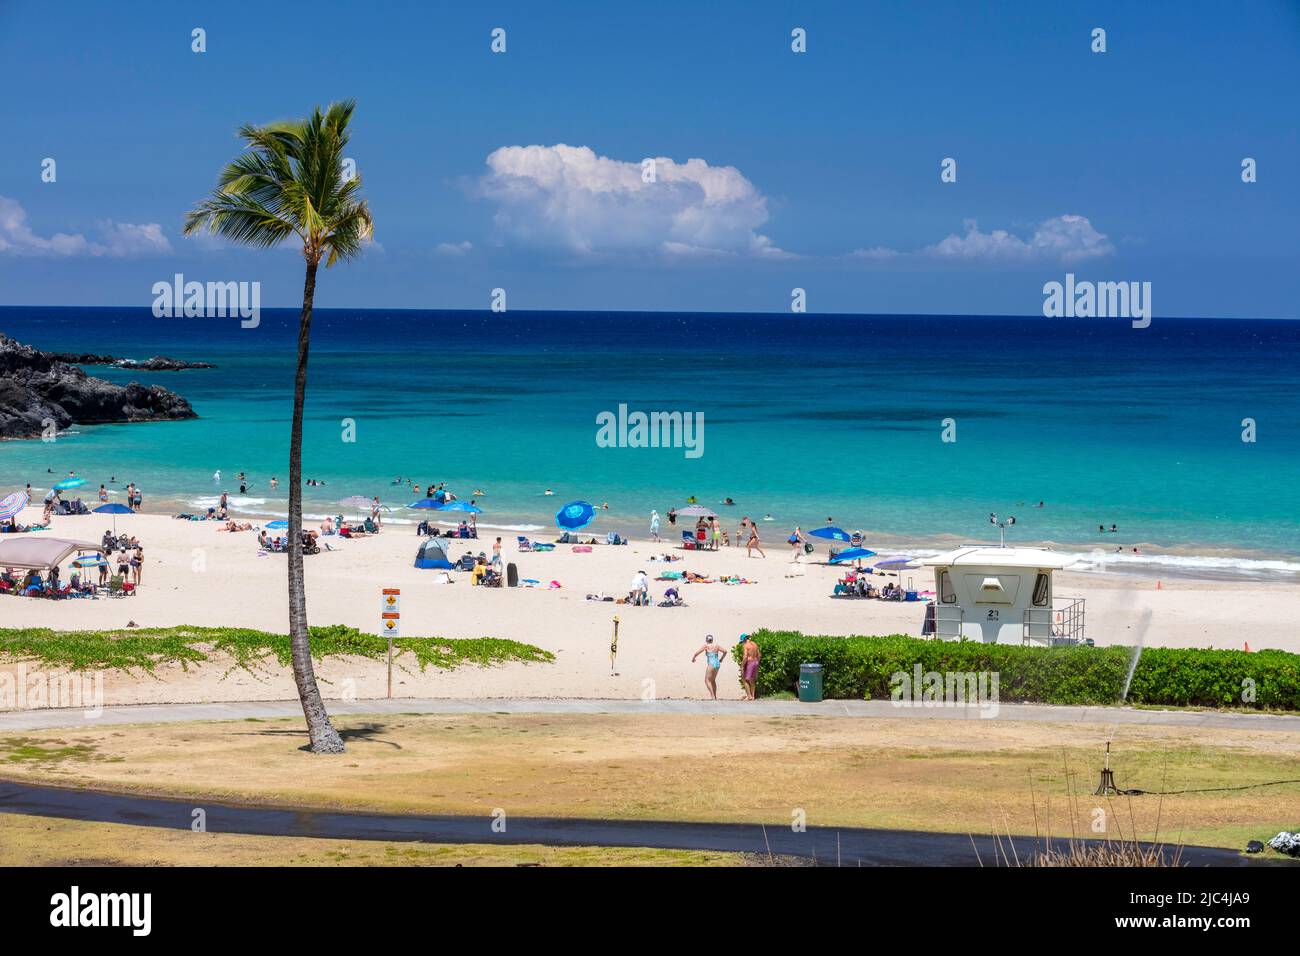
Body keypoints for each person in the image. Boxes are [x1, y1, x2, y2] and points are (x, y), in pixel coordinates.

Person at [692, 635, 729, 700]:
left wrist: (693, 658)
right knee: (713, 680)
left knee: (707, 680)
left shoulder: (706, 646)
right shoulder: (717, 646)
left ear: (706, 640)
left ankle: (713, 696)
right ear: (712, 640)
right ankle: (715, 696)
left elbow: (697, 653)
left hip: (711, 664)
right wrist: (721, 659)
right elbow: (725, 651)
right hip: (717, 664)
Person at [740, 634, 760, 700]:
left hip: (750, 663)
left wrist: (742, 665)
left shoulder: (746, 645)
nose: (742, 642)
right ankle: (752, 696)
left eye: (742, 641)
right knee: (752, 680)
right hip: (756, 662)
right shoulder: (754, 644)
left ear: (744, 639)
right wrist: (757, 663)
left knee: (745, 679)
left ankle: (749, 696)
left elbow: (745, 656)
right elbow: (759, 655)